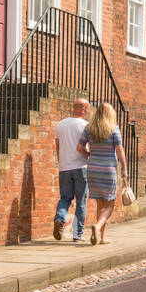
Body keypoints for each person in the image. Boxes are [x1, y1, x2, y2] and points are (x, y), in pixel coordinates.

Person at [79, 102, 127, 245]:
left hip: (93, 169)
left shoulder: (89, 128)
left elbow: (79, 147)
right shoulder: (114, 129)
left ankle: (103, 237)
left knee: (100, 204)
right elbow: (120, 150)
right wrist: (124, 169)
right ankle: (98, 226)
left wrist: (89, 154)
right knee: (110, 204)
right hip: (108, 170)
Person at [53, 98, 90, 242]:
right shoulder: (85, 126)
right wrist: (88, 155)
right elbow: (85, 147)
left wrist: (61, 163)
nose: (88, 111)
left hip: (64, 168)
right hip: (81, 167)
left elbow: (58, 147)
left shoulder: (61, 124)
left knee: (65, 198)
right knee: (81, 202)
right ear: (83, 109)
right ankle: (77, 234)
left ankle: (59, 219)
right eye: (87, 108)